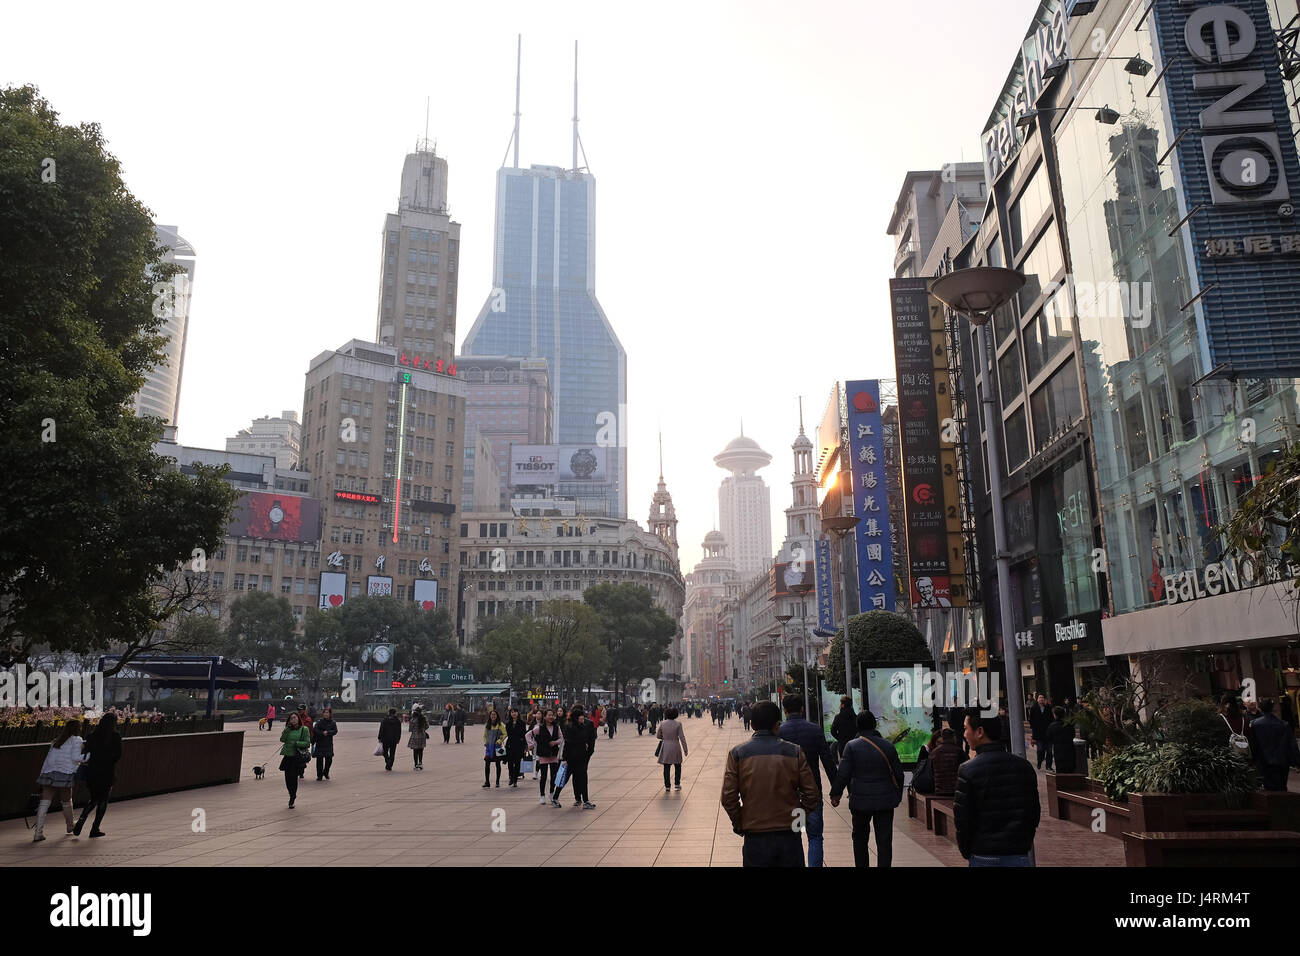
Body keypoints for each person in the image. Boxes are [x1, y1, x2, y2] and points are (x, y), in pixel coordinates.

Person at [721, 700, 819, 867]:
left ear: (751, 725)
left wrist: (740, 822)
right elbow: (812, 794)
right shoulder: (795, 752)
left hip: (755, 834)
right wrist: (798, 820)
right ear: (777, 725)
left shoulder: (737, 754)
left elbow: (728, 797)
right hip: (789, 833)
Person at [954, 713, 1040, 866]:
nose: (964, 734)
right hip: (1018, 854)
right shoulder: (1024, 767)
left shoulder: (968, 771)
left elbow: (963, 820)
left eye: (966, 728)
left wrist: (968, 851)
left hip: (983, 855)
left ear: (979, 732)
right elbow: (1033, 813)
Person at [829, 710, 904, 868]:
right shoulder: (888, 746)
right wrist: (897, 796)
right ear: (874, 725)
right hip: (884, 801)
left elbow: (843, 773)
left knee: (860, 839)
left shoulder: (851, 746)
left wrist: (836, 793)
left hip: (860, 801)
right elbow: (899, 774)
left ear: (857, 726)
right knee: (884, 841)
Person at [779, 695, 838, 867]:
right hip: (812, 793)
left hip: (791, 794)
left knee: (796, 835)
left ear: (785, 710)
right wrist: (836, 790)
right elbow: (827, 760)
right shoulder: (815, 730)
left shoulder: (780, 732)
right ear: (802, 709)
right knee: (815, 836)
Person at [33, 719, 84, 842]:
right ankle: (70, 826)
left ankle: (38, 832)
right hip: (65, 773)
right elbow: (76, 758)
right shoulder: (77, 740)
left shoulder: (56, 741)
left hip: (49, 772)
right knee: (66, 800)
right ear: (78, 728)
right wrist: (89, 756)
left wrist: (42, 775)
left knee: (45, 802)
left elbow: (47, 760)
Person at [74, 713, 123, 837]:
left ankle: (81, 819)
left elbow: (86, 751)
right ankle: (95, 828)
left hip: (93, 771)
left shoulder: (92, 736)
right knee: (103, 801)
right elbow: (118, 754)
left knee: (93, 798)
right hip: (107, 772)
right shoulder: (115, 736)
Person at [1250, 698, 1299, 791]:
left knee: (1266, 789)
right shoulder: (1284, 725)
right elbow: (1292, 745)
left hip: (1262, 762)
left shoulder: (1254, 724)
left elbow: (1253, 744)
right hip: (1281, 762)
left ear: (1260, 708)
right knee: (1281, 787)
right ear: (1273, 708)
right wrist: (1297, 762)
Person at [562, 705, 598, 809]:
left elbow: (592, 740)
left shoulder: (588, 724)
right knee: (575, 776)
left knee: (582, 776)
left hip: (584, 755)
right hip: (574, 755)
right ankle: (578, 797)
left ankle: (584, 799)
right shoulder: (570, 724)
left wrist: (588, 753)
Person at [527, 709, 565, 806]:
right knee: (543, 776)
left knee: (554, 776)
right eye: (549, 715)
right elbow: (528, 735)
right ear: (544, 717)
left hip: (553, 754)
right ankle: (542, 795)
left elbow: (561, 738)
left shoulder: (557, 727)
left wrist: (555, 742)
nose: (551, 717)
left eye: (552, 715)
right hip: (543, 754)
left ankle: (551, 793)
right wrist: (531, 744)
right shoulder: (539, 728)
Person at [278, 712, 311, 809]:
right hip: (288, 756)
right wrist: (287, 729)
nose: (293, 719)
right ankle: (291, 793)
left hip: (296, 757)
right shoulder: (288, 729)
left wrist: (297, 743)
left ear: (298, 718)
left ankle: (292, 797)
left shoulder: (304, 729)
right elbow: (282, 739)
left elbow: (307, 742)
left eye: (295, 717)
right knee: (287, 779)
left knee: (293, 778)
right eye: (291, 718)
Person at [656, 706, 689, 792]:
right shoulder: (678, 724)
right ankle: (677, 784)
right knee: (678, 766)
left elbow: (658, 735)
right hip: (675, 746)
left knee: (666, 767)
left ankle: (667, 785)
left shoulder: (662, 723)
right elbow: (682, 737)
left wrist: (664, 737)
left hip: (666, 746)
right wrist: (685, 749)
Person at [928, 728, 968, 796]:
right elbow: (965, 770)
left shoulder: (934, 752)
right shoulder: (959, 751)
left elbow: (931, 771)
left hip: (939, 791)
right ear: (954, 737)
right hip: (955, 791)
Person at [1045, 706, 1077, 774]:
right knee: (1070, 769)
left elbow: (1048, 737)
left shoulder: (1052, 726)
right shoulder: (1069, 725)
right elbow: (1073, 735)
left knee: (1060, 770)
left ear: (1055, 715)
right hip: (1070, 750)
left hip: (1058, 751)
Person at [1028, 694, 1053, 770]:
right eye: (1040, 698)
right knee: (1040, 750)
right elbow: (1031, 721)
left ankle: (1048, 766)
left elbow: (1051, 719)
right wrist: (1033, 736)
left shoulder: (1048, 708)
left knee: (1049, 751)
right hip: (1038, 734)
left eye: (1042, 697)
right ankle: (1039, 761)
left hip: (1048, 734)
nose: (1041, 699)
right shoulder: (1034, 708)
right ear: (1037, 699)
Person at [483, 709, 507, 788]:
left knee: (498, 764)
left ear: (497, 716)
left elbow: (505, 734)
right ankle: (487, 781)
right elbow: (485, 735)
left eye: (494, 715)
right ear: (490, 716)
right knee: (487, 764)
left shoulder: (500, 725)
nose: (493, 716)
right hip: (489, 748)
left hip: (497, 747)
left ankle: (497, 781)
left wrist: (500, 741)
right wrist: (485, 742)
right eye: (492, 715)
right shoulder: (488, 725)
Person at [504, 707, 528, 787]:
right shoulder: (508, 723)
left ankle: (515, 779)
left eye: (515, 712)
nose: (514, 713)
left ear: (518, 713)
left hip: (519, 744)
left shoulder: (522, 723)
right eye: (512, 712)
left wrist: (525, 745)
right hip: (510, 744)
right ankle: (511, 776)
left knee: (517, 762)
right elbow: (507, 733)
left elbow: (524, 734)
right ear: (510, 714)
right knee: (510, 762)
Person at [313, 706, 338, 780]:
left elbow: (335, 731)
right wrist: (322, 733)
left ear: (330, 714)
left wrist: (328, 732)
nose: (326, 714)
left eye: (327, 712)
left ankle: (326, 772)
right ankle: (319, 775)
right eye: (324, 712)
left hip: (328, 743)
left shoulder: (333, 722)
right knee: (319, 760)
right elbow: (315, 730)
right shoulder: (319, 722)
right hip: (320, 743)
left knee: (329, 760)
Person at [407, 705, 430, 771]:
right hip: (422, 735)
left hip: (414, 736)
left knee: (415, 751)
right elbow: (427, 726)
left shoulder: (413, 719)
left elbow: (410, 729)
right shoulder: (424, 718)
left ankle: (415, 764)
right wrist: (422, 729)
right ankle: (420, 763)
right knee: (421, 750)